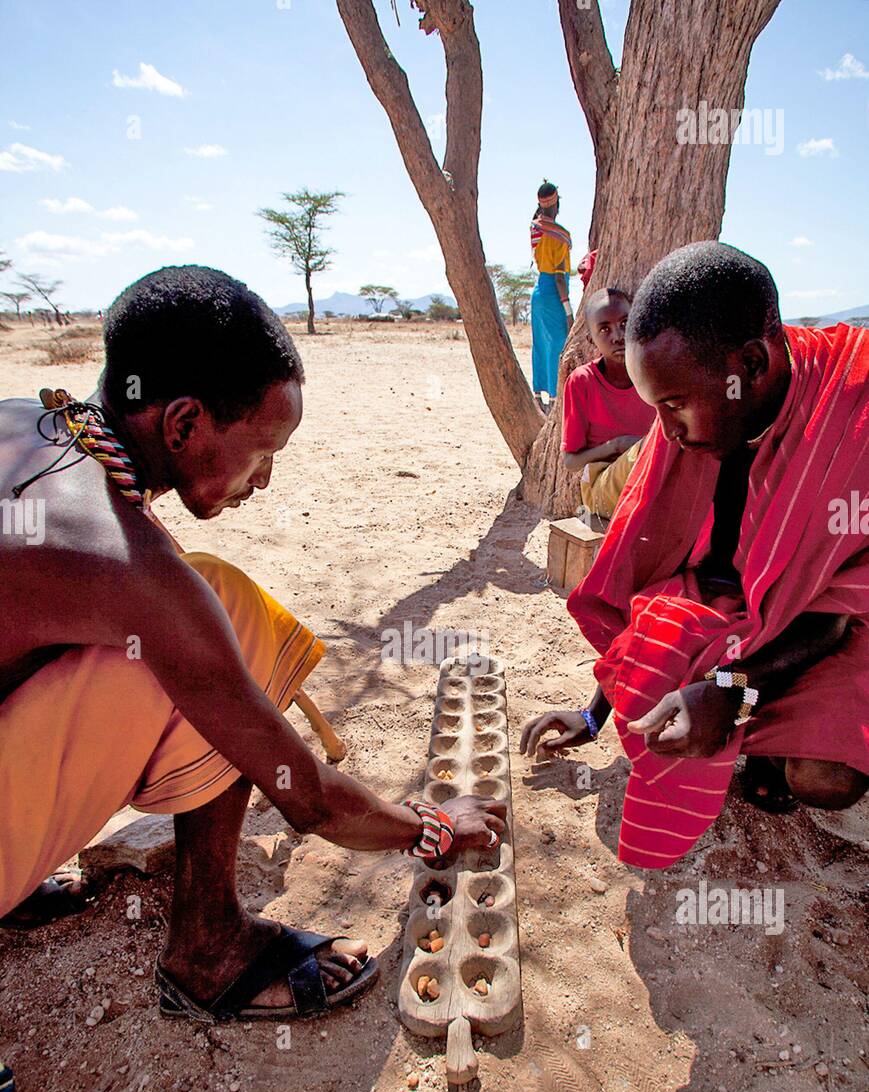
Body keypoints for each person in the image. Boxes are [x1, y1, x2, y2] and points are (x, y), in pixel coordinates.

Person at [0, 265, 506, 1021]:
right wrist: (430, 825)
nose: (263, 482)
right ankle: (210, 950)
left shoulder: (24, 422)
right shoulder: (130, 568)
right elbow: (305, 797)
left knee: (194, 607)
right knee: (231, 614)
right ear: (181, 425)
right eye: (262, 453)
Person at [522, 242, 869, 868]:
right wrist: (594, 713)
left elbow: (836, 617)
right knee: (655, 667)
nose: (666, 430)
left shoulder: (853, 415)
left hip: (822, 630)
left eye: (674, 405)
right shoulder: (695, 415)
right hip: (730, 612)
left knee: (824, 776)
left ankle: (762, 742)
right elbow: (656, 575)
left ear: (754, 364)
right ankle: (743, 724)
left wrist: (730, 691)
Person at [559, 287, 656, 518]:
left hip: (649, 476)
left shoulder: (653, 374)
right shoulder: (582, 382)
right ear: (591, 338)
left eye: (625, 323)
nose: (618, 336)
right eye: (605, 329)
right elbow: (570, 461)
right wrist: (618, 446)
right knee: (648, 452)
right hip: (600, 486)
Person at [530, 180, 573, 411]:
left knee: (541, 344)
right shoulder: (560, 235)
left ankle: (539, 396)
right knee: (558, 344)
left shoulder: (535, 228)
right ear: (556, 204)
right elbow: (559, 277)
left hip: (538, 294)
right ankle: (556, 401)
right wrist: (568, 310)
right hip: (554, 294)